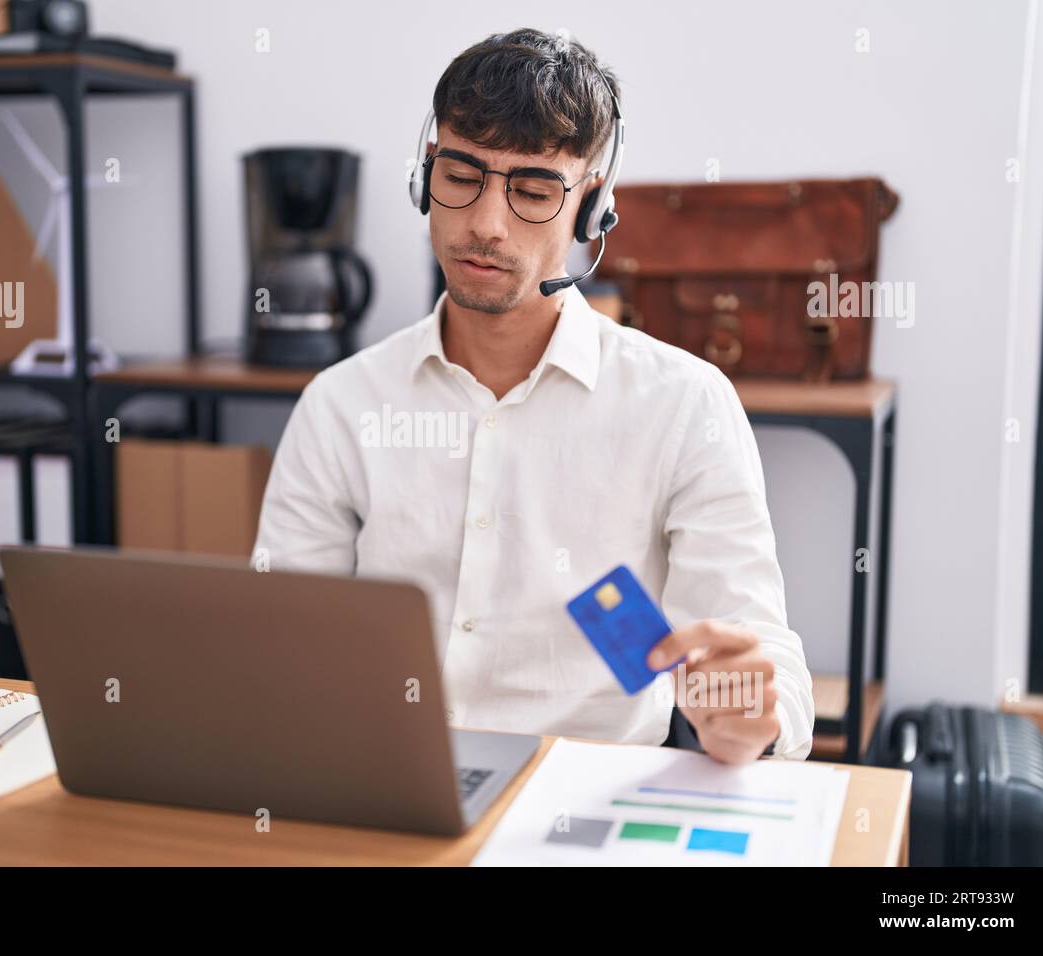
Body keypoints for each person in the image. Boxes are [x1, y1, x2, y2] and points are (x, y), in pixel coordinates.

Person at [253, 27, 813, 763]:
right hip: (388, 777)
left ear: (591, 211)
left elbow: (759, 648)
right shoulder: (340, 405)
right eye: (462, 176)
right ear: (426, 176)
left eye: (534, 191)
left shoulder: (684, 404)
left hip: (586, 792)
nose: (486, 225)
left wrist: (751, 714)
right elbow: (283, 643)